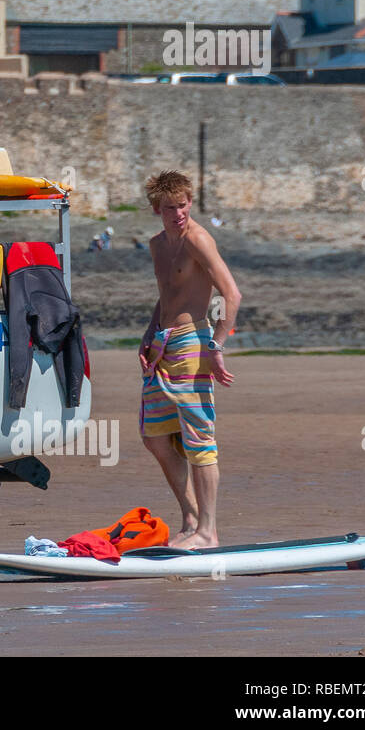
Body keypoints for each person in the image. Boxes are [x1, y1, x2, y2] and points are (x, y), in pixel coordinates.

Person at [139, 170, 241, 549]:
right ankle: (191, 517)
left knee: (199, 440)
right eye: (170, 208)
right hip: (162, 345)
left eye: (183, 206)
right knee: (155, 437)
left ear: (190, 203)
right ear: (157, 209)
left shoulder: (199, 239)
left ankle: (208, 532)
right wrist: (149, 333)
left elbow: (232, 294)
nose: (178, 214)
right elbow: (167, 294)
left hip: (193, 344)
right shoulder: (156, 245)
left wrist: (216, 346)